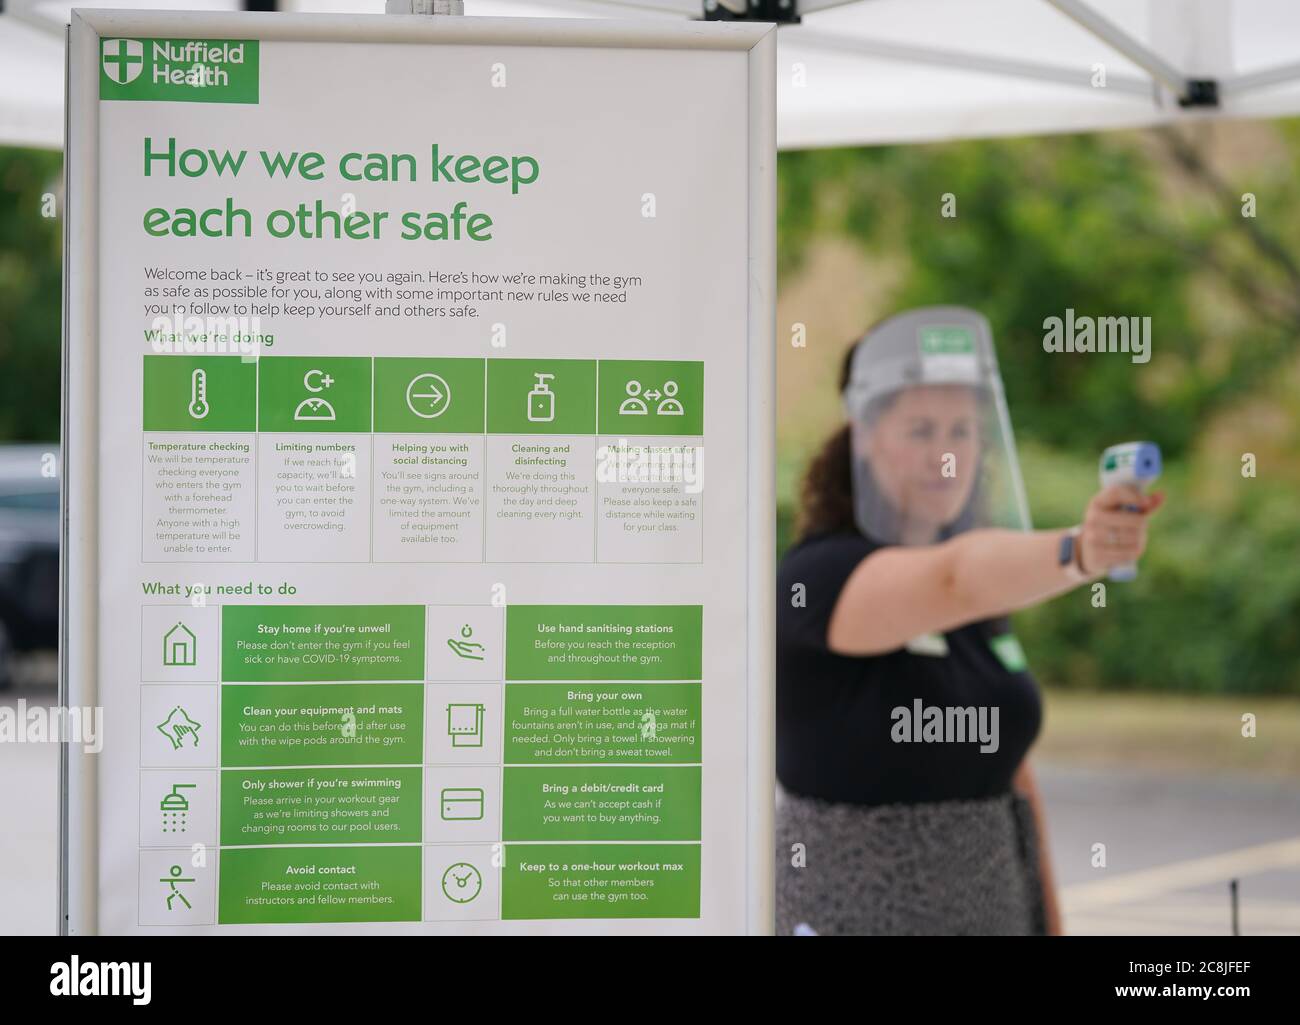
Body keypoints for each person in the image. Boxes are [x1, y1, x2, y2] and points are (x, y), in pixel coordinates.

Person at [775, 306, 1163, 935]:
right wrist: (1081, 550)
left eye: (963, 430)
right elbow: (951, 578)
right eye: (921, 430)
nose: (946, 456)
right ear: (864, 436)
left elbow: (1011, 775)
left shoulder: (978, 606)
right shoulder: (816, 579)